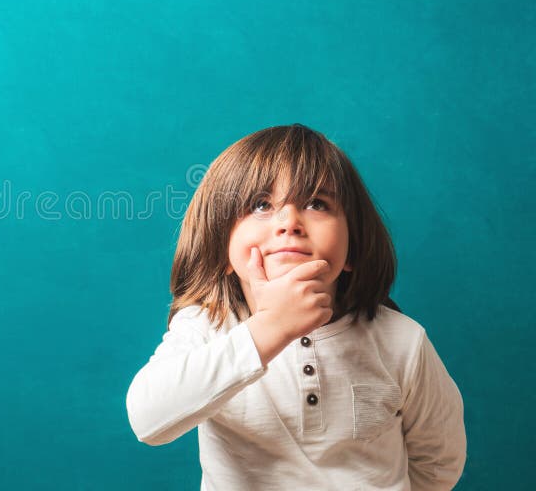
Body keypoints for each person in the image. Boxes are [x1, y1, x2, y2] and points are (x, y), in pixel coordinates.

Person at [125, 124, 466, 490]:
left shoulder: (402, 340)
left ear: (352, 248)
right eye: (260, 205)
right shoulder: (207, 327)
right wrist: (270, 328)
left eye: (317, 203)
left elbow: (438, 462)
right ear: (220, 247)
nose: (289, 222)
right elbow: (148, 420)